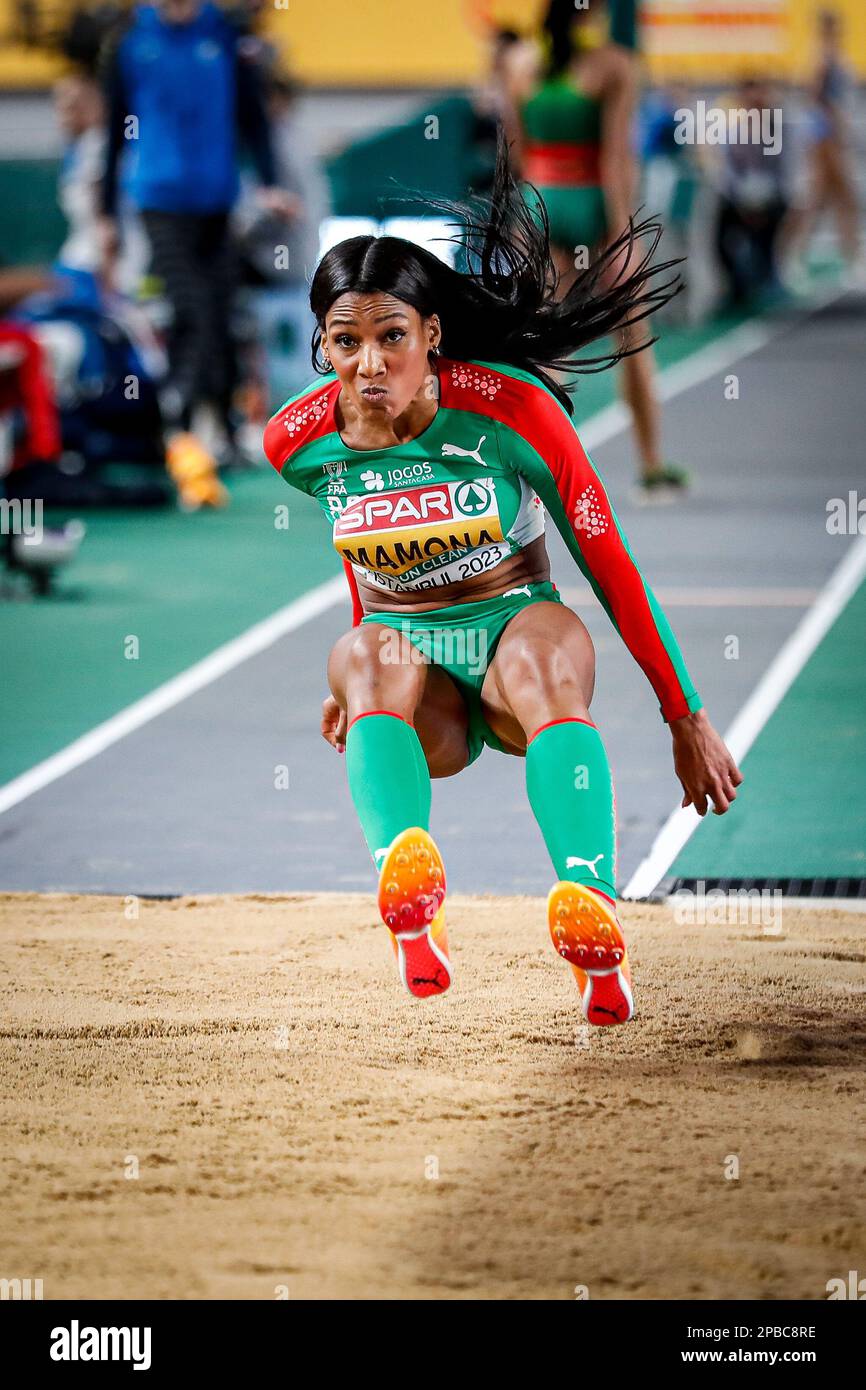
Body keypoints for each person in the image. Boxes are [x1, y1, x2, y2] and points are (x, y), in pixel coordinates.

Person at [263, 134, 742, 1026]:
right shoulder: (298, 444)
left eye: (392, 338)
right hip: (423, 676)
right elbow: (357, 545)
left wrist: (686, 716)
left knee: (539, 667)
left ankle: (590, 915)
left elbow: (609, 564)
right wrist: (364, 692)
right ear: (322, 346)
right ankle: (410, 908)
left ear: (432, 334)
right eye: (346, 342)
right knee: (357, 653)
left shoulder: (510, 407)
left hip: (517, 626)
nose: (371, 366)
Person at [98, 0, 295, 505]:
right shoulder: (131, 43)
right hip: (159, 201)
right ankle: (179, 427)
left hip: (218, 200)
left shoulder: (226, 38)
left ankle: (220, 432)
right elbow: (116, 129)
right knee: (188, 311)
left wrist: (270, 181)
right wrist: (105, 214)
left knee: (220, 313)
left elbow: (253, 120)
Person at [502, 0, 687, 499]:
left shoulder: (519, 61)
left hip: (539, 203)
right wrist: (623, 237)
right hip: (590, 199)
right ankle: (651, 467)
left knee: (543, 346)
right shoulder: (614, 65)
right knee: (632, 340)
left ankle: (530, 470)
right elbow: (614, 156)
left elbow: (515, 150)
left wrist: (520, 223)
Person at [783, 8, 861, 286]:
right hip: (825, 141)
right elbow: (815, 99)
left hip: (831, 139)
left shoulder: (832, 57)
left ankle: (848, 259)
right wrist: (833, 133)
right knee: (828, 200)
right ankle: (792, 258)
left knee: (833, 202)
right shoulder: (822, 59)